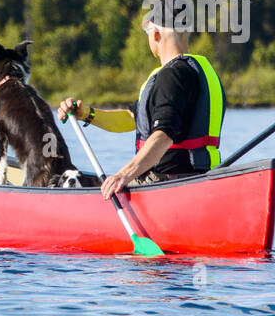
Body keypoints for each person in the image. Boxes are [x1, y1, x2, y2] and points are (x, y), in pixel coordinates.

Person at [57, 13, 224, 200]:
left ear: (156, 34)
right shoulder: (199, 70)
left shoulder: (172, 77)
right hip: (202, 180)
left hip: (166, 184)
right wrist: (86, 114)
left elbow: (163, 136)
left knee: (96, 189)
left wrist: (123, 175)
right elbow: (131, 119)